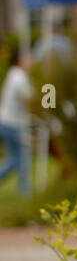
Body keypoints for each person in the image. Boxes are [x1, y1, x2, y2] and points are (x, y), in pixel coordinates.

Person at [0, 53, 33, 196]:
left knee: (15, 158)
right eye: (28, 58)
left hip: (6, 121)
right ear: (20, 60)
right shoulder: (20, 77)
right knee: (22, 158)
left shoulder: (12, 74)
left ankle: (25, 190)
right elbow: (28, 99)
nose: (31, 61)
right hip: (14, 124)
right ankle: (25, 191)